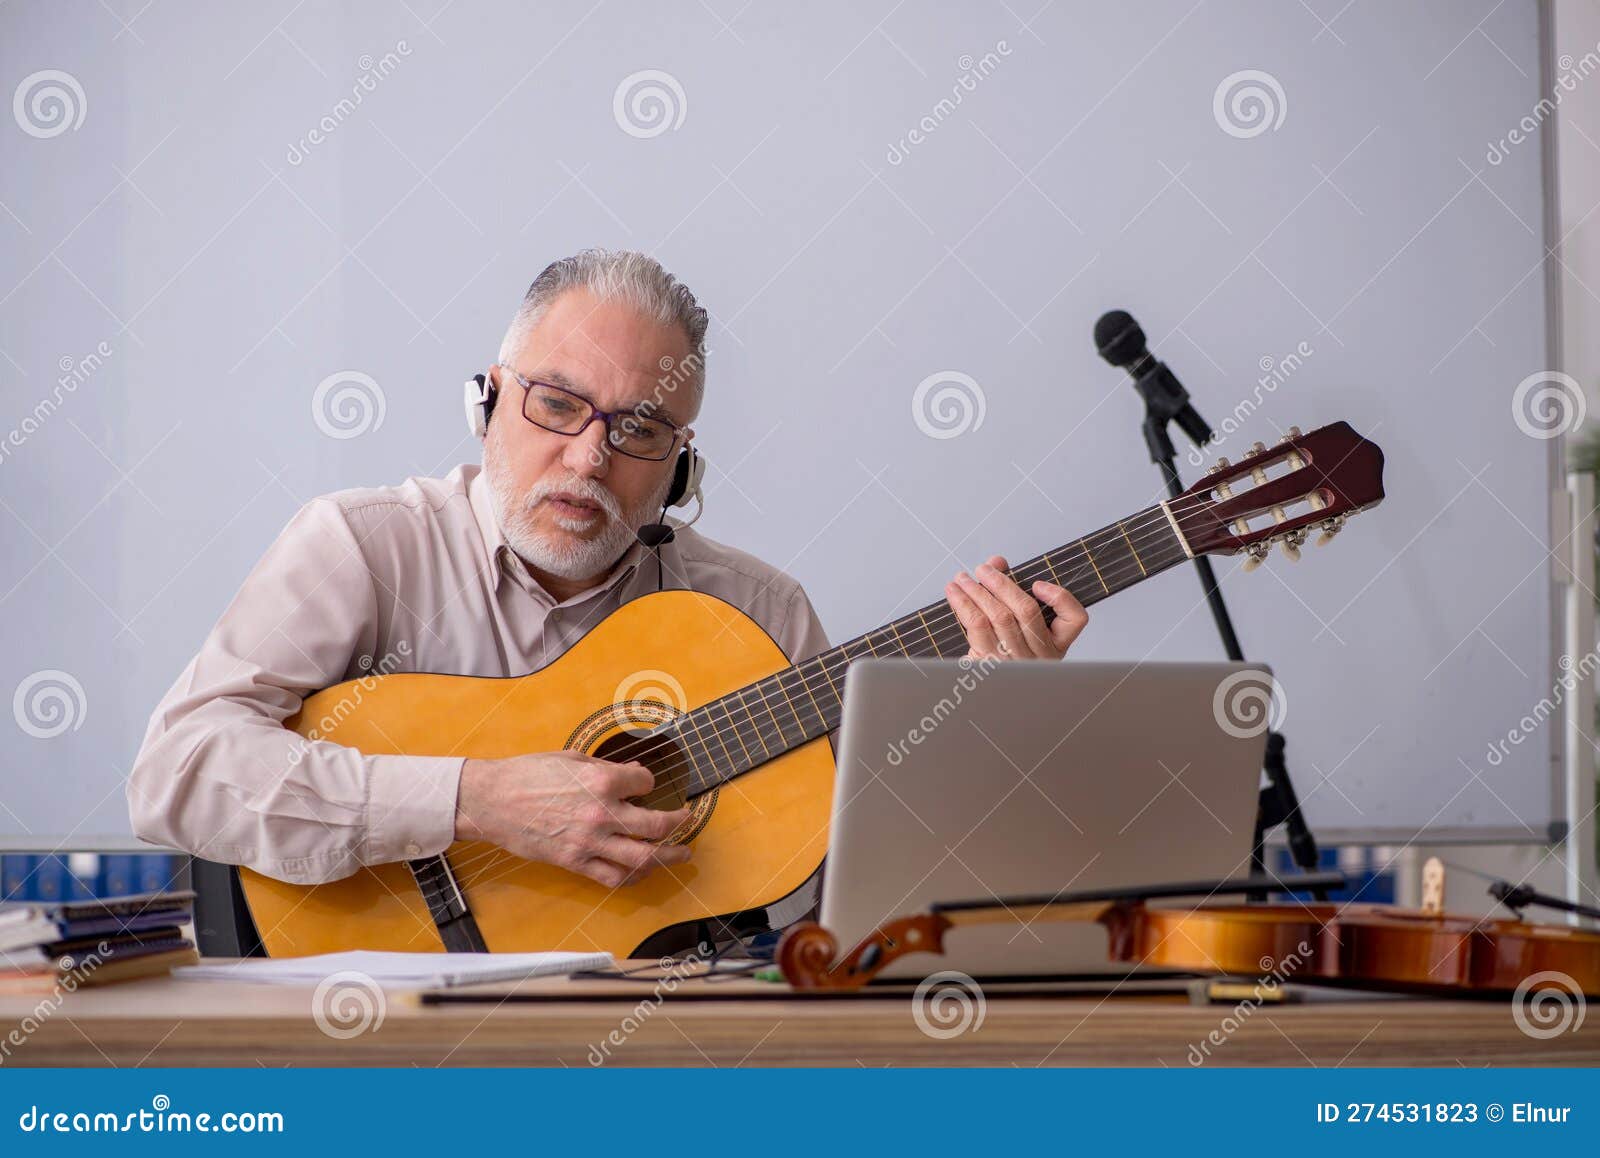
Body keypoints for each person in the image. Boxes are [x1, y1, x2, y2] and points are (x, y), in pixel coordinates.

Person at [127, 249, 1088, 893]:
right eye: (556, 405)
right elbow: (176, 772)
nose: (589, 459)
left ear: (680, 461)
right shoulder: (363, 547)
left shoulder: (757, 617)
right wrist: (476, 801)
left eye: (638, 429)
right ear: (487, 400)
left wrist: (989, 724)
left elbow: (861, 886)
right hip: (385, 1036)